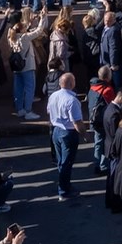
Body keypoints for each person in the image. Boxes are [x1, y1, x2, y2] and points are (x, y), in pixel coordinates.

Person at [47, 72, 90, 201]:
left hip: (56, 130)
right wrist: (85, 135)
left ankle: (65, 185)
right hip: (68, 133)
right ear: (71, 83)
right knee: (67, 163)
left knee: (61, 162)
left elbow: (48, 111)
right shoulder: (72, 100)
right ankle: (64, 191)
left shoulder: (53, 96)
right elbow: (77, 122)